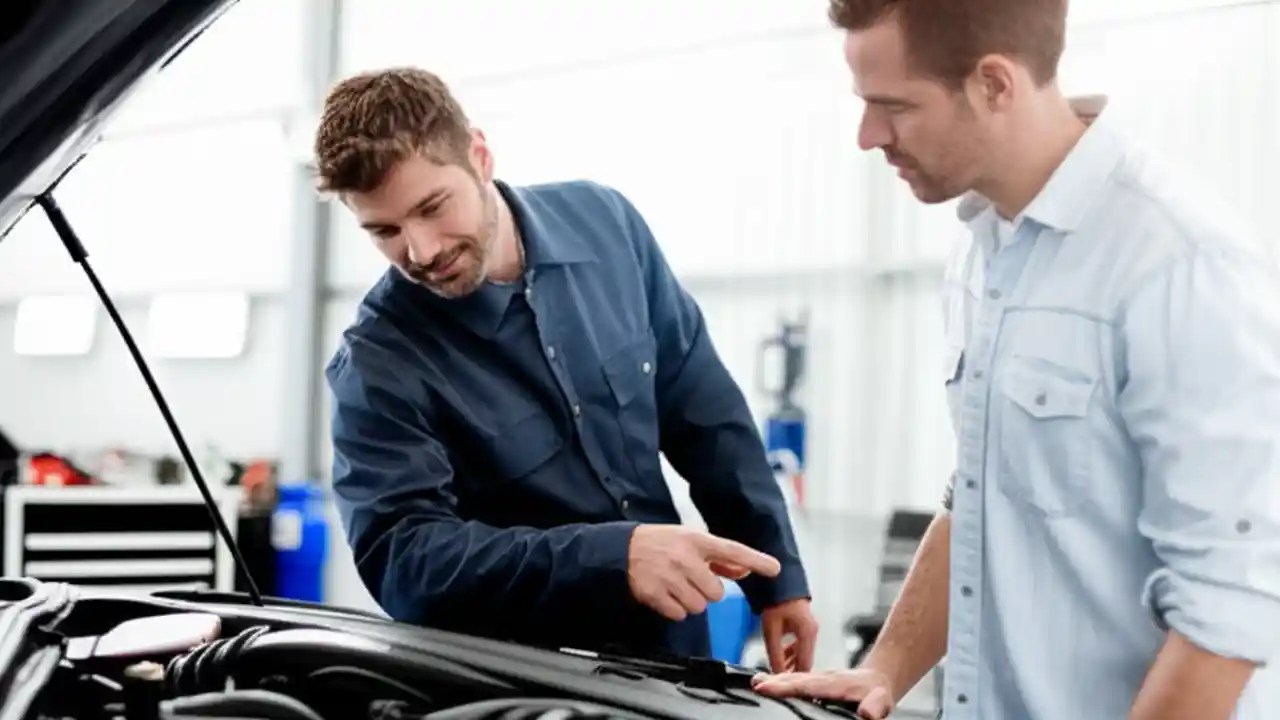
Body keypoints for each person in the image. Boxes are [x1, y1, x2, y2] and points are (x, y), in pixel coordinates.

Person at [753, 0, 1280, 718]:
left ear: (995, 84)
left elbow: (1230, 605)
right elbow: (980, 493)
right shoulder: (981, 251)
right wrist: (885, 669)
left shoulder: (1179, 264)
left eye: (893, 106)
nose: (868, 136)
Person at [316, 67, 818, 669]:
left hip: (675, 661)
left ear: (479, 155)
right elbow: (405, 562)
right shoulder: (378, 364)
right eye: (385, 231)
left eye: (432, 207)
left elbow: (703, 408)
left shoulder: (608, 227)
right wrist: (611, 558)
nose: (420, 251)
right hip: (520, 688)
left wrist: (777, 574)